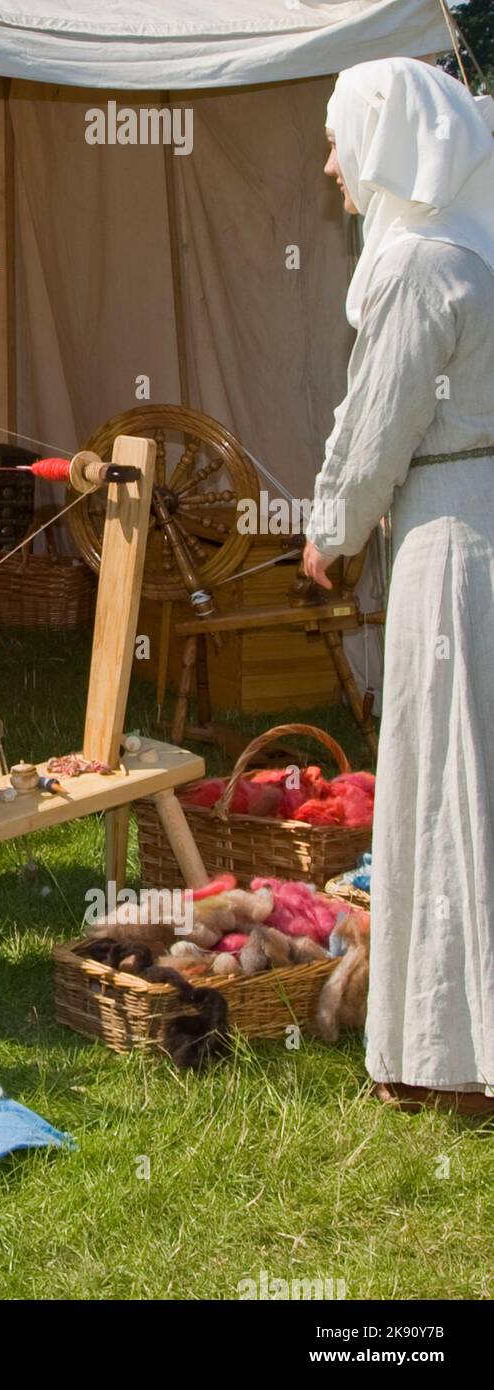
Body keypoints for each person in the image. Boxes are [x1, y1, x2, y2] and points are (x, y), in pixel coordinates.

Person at [303, 59, 494, 1114]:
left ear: (380, 138)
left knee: (449, 775)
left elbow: (379, 422)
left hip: (454, 540)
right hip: (470, 512)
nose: (330, 166)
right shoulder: (474, 246)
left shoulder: (425, 264)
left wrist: (328, 527)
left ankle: (455, 1053)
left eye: (336, 140)